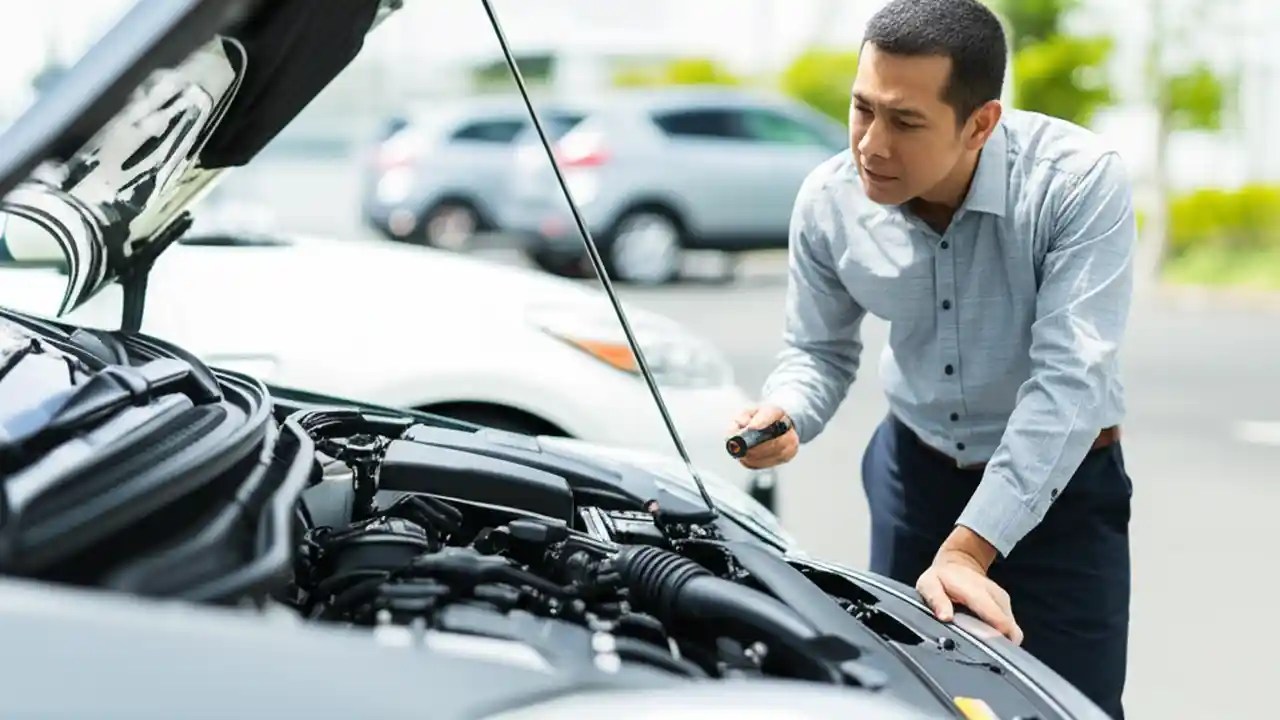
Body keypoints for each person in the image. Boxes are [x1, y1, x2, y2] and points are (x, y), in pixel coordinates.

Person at [728, 0, 1135, 717]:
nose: (871, 146)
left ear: (981, 123)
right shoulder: (828, 201)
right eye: (862, 109)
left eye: (906, 121)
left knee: (1068, 707)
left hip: (1061, 494)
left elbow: (1069, 383)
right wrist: (787, 411)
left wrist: (970, 550)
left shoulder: (1077, 183)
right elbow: (816, 351)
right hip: (915, 479)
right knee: (909, 700)